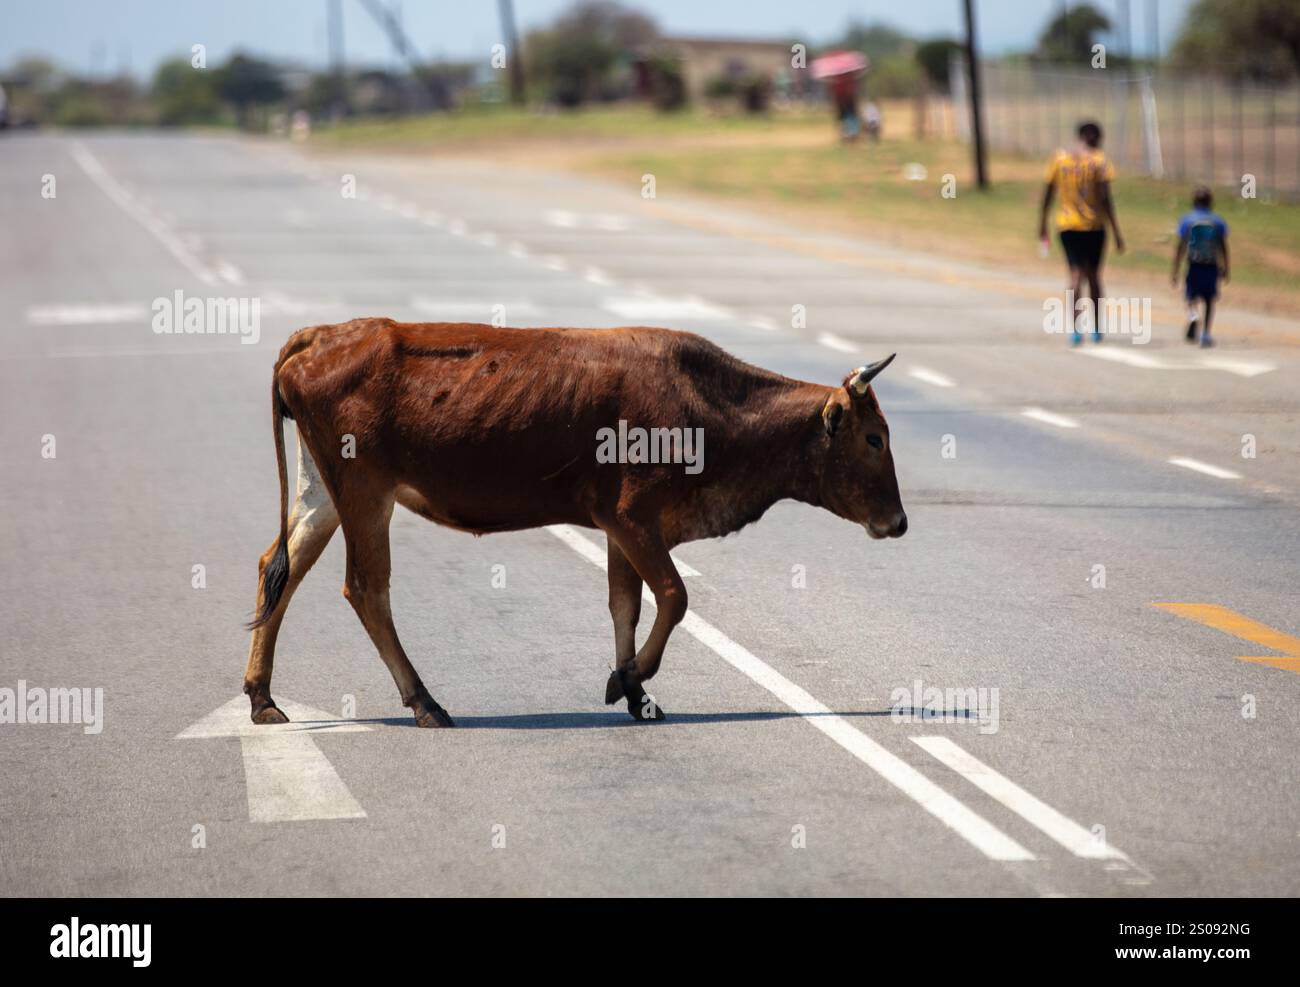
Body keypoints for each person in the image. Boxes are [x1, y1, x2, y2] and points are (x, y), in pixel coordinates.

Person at [1038, 121, 1126, 344]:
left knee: (1075, 274)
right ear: (1093, 136)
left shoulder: (1060, 158)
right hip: (1094, 226)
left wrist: (1042, 222)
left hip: (1067, 225)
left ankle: (1076, 328)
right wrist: (1116, 231)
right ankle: (1096, 327)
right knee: (1094, 276)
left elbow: (1048, 192)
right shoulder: (1098, 161)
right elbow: (1106, 198)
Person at [1171, 186, 1229, 348]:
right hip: (1211, 266)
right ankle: (1205, 333)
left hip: (1194, 265)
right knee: (1210, 300)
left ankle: (1193, 315)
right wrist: (1226, 267)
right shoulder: (1217, 221)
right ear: (1211, 202)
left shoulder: (1187, 220)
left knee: (1191, 296)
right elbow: (1223, 246)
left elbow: (1181, 247)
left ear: (1194, 202)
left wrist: (1175, 270)